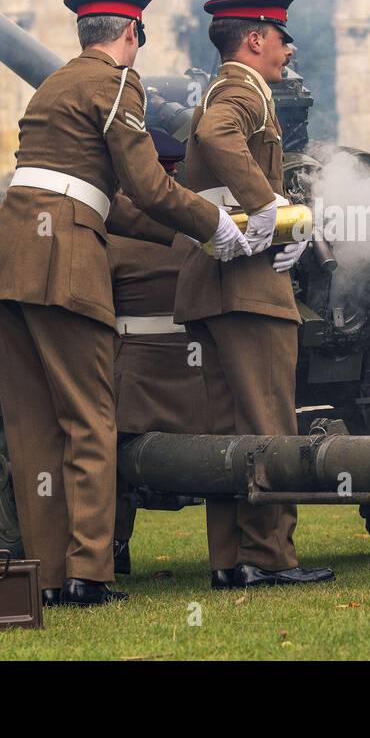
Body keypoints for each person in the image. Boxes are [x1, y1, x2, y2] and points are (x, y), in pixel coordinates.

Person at [0, 0, 249, 606]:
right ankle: (89, 574)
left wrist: (180, 232)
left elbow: (104, 197)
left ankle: (46, 575)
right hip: (62, 261)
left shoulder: (55, 86)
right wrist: (213, 223)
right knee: (91, 418)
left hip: (6, 260)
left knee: (32, 426)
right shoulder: (119, 83)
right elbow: (145, 183)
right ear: (132, 36)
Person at [174, 0, 333, 589]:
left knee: (229, 429)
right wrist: (269, 203)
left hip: (215, 278)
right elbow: (218, 137)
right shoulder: (243, 90)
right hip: (245, 280)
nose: (289, 49)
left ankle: (231, 558)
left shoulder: (222, 87)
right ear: (255, 40)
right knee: (268, 418)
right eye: (281, 37)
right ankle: (268, 557)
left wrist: (279, 218)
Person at [107, 129, 207, 576]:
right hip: (193, 382)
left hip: (136, 377)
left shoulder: (108, 241)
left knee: (108, 463)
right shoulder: (195, 235)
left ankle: (111, 547)